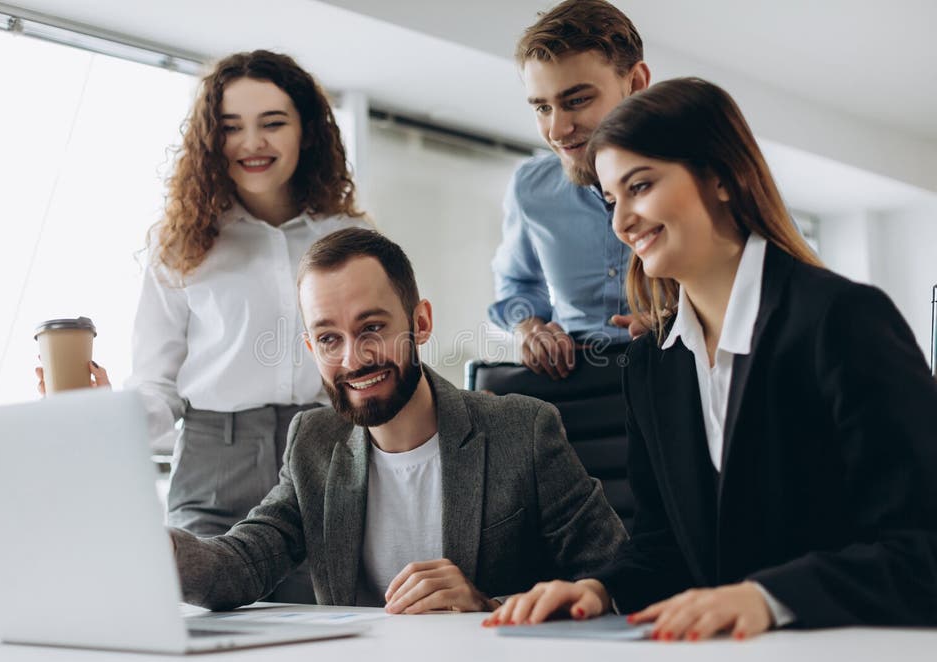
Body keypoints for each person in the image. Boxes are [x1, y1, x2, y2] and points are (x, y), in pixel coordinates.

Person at [487, 78, 937, 638]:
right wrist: (601, 590)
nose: (622, 222)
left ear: (722, 177)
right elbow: (664, 550)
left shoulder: (843, 321)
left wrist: (769, 598)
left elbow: (922, 548)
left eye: (641, 186)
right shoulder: (653, 364)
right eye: (611, 200)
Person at [37, 50, 369, 602]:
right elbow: (158, 386)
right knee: (197, 624)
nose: (251, 143)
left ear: (307, 132)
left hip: (324, 461)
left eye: (272, 123)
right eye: (230, 126)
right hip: (214, 466)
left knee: (329, 626)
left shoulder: (347, 236)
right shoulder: (184, 244)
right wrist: (97, 418)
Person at [170, 228, 626, 611]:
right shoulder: (314, 442)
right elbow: (242, 564)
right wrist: (156, 551)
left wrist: (486, 605)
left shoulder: (522, 430)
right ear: (312, 349)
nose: (354, 358)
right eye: (330, 338)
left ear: (421, 322)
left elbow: (619, 573)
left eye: (372, 328)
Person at [488, 0, 650, 378]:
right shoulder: (531, 189)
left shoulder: (701, 170)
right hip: (576, 387)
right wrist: (531, 327)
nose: (557, 131)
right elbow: (514, 286)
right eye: (542, 108)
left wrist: (683, 317)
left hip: (678, 377)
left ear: (636, 84)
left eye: (576, 101)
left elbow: (769, 277)